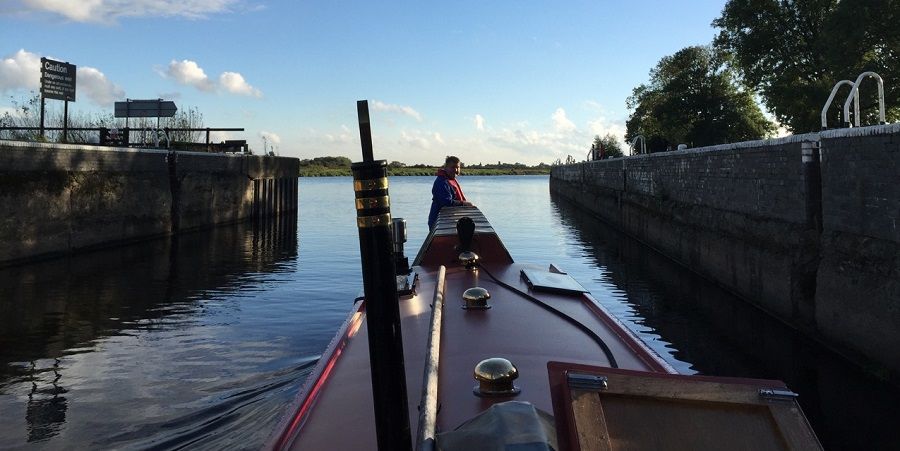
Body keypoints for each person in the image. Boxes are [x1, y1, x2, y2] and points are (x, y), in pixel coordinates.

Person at [428, 156, 473, 229]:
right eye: (452, 167)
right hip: (439, 224)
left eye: (457, 167)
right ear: (445, 168)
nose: (455, 170)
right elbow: (445, 202)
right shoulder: (441, 182)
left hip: (449, 221)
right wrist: (463, 203)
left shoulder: (452, 180)